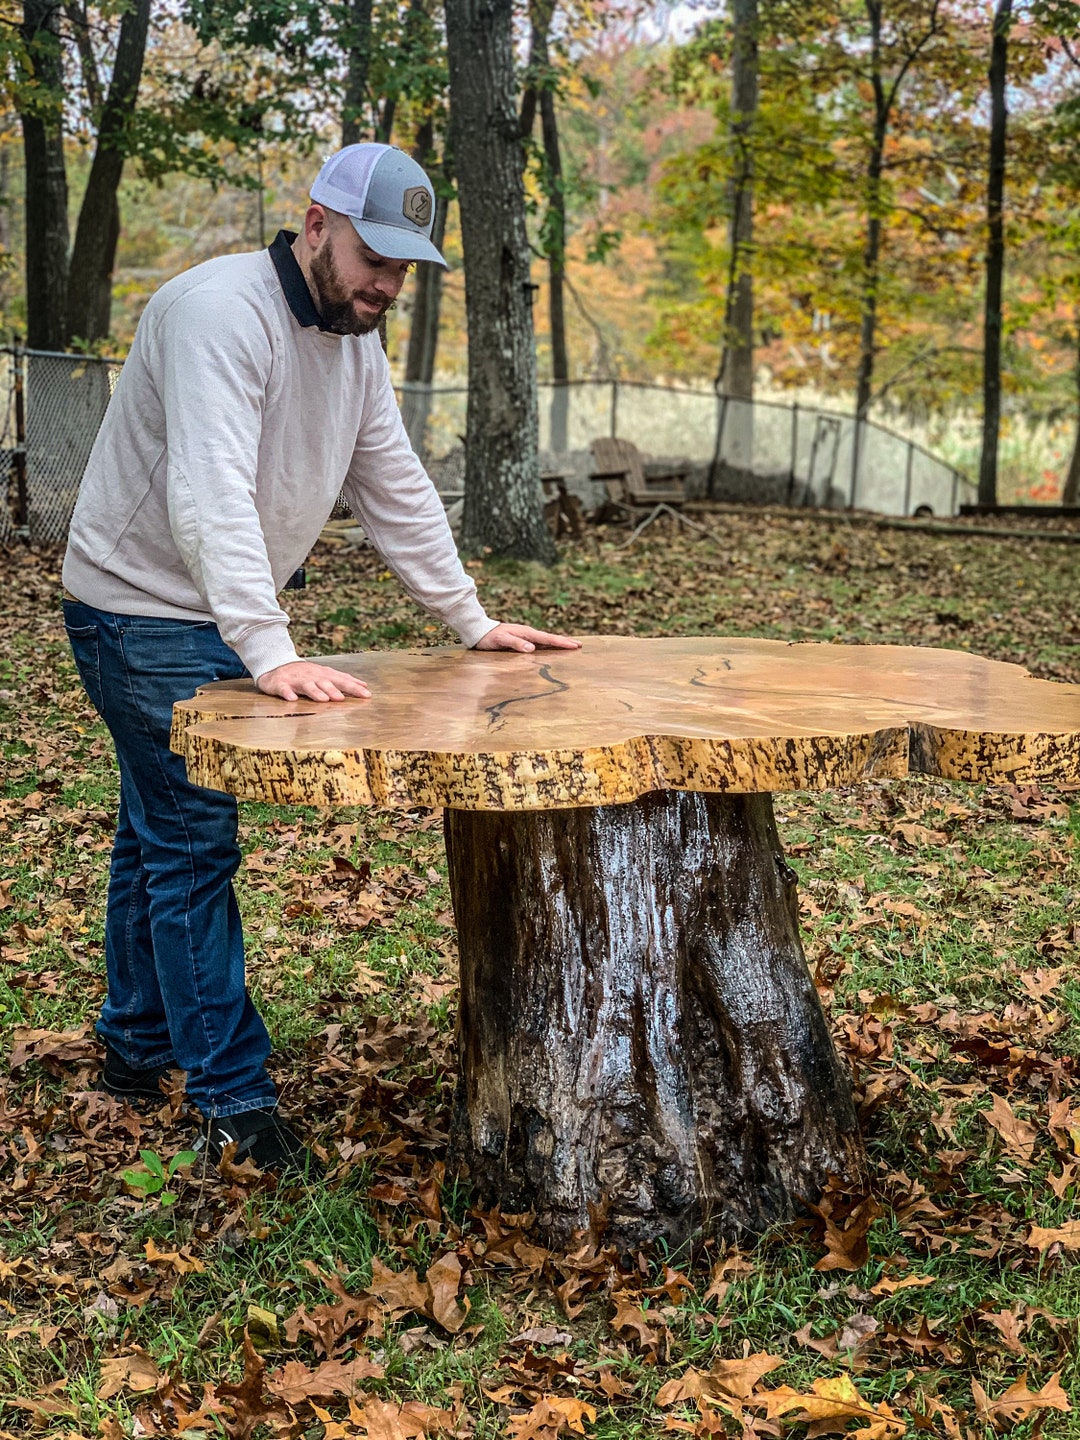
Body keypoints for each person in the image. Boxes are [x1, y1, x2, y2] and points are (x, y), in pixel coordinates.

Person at [61, 143, 580, 1173]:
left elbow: (395, 488)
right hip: (137, 612)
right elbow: (206, 489)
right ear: (314, 226)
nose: (385, 283)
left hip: (212, 609)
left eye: (402, 267)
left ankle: (135, 1043)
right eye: (369, 256)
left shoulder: (354, 348)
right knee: (192, 844)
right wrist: (269, 646)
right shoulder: (217, 313)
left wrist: (470, 620)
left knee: (156, 830)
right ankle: (235, 1104)